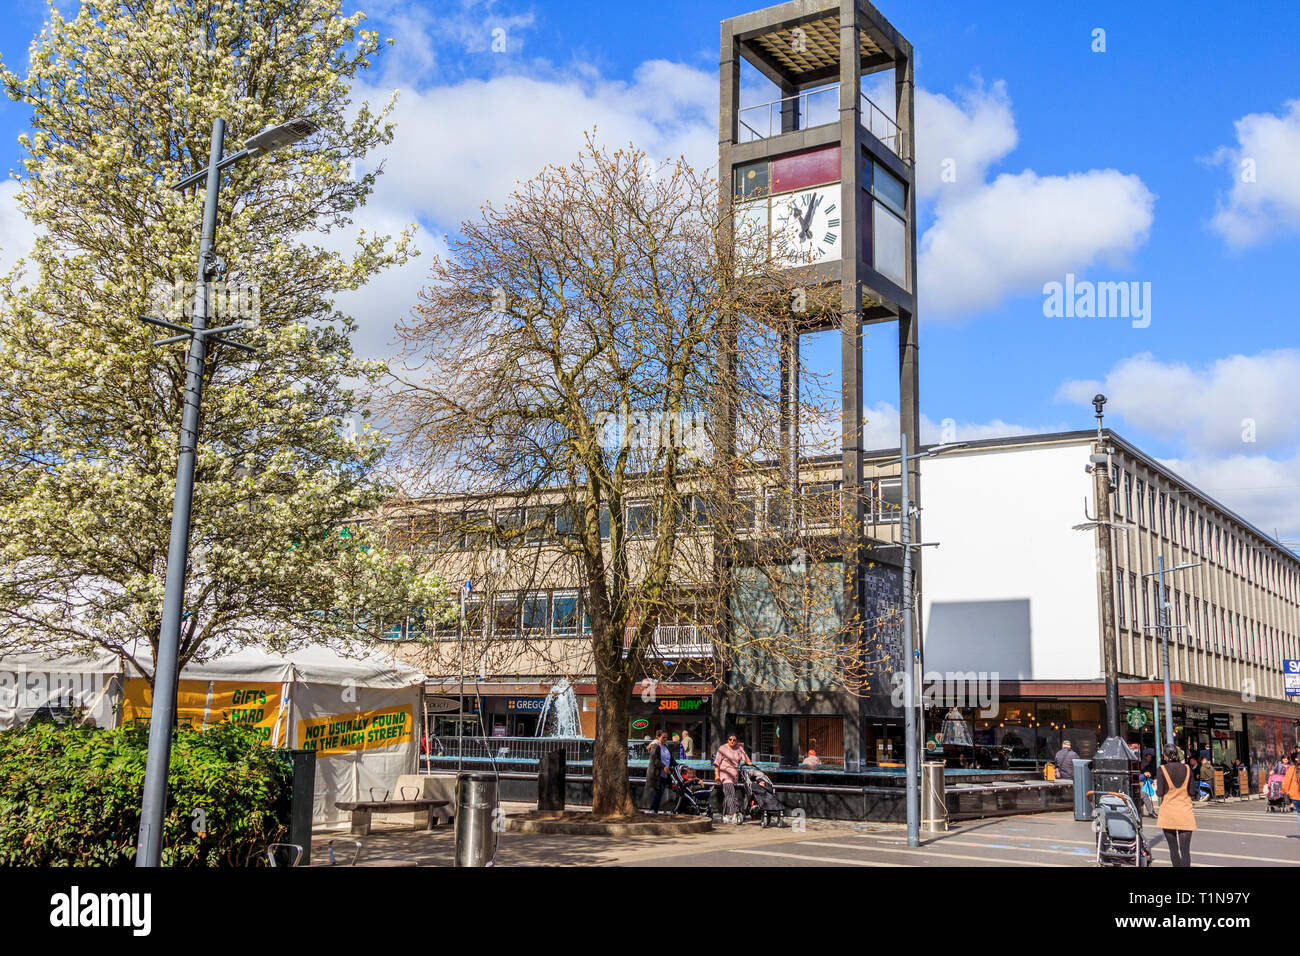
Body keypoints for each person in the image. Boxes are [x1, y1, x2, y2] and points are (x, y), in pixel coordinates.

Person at [1155, 744, 1197, 866]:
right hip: (1185, 812)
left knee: (1173, 849)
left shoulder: (1162, 769)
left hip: (1168, 812)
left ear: (1165, 756)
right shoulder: (1188, 769)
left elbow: (1160, 793)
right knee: (1185, 851)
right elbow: (1192, 792)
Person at [713, 733, 753, 824]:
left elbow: (746, 759)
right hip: (724, 774)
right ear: (728, 740)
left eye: (734, 740)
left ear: (736, 741)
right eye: (730, 739)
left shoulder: (739, 749)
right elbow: (716, 764)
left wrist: (747, 760)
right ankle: (734, 815)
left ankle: (724, 816)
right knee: (730, 793)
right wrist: (717, 775)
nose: (732, 741)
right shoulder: (722, 749)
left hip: (734, 776)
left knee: (728, 795)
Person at [643, 729, 674, 813]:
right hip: (657, 774)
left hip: (665, 774)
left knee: (660, 792)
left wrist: (679, 765)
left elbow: (671, 760)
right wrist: (663, 767)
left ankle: (654, 810)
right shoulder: (655, 746)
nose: (665, 739)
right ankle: (652, 810)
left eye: (666, 737)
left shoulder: (666, 747)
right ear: (658, 737)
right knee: (659, 792)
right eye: (663, 737)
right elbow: (655, 760)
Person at [1282, 751, 1300, 835]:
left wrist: (1286, 792)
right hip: (1295, 795)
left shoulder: (1291, 769)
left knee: (1299, 814)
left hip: (1295, 797)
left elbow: (1285, 783)